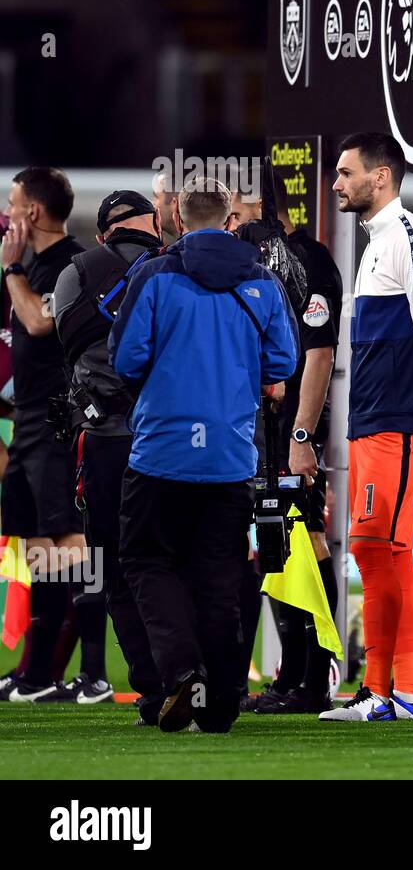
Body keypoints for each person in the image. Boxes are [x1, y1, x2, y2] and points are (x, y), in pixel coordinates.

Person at [110, 178, 299, 733]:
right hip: (229, 456)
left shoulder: (154, 275)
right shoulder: (261, 280)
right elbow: (283, 363)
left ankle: (180, 671)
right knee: (218, 576)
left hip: (160, 452)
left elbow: (125, 358)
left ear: (176, 216)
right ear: (230, 220)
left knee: (147, 561)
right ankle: (222, 699)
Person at [322, 132, 413, 723]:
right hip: (374, 418)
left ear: (380, 177)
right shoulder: (380, 241)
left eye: (346, 172)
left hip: (403, 420)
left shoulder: (410, 235)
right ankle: (379, 691)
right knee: (371, 550)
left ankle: (404, 692)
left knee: (385, 547)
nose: (336, 184)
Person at [51, 190, 166, 716]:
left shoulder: (75, 273)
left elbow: (66, 349)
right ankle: (197, 675)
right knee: (179, 562)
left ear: (103, 234)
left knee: (115, 567)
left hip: (102, 442)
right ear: (155, 224)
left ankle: (152, 686)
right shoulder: (177, 270)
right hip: (170, 441)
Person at [238, 173, 345, 716]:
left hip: (294, 428)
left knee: (306, 534)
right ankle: (292, 674)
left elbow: (321, 352)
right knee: (278, 539)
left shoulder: (310, 260)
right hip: (262, 427)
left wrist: (302, 434)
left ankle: (316, 677)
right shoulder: (247, 255)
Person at [1, 167, 95, 703]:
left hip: (59, 419)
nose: (9, 214)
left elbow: (39, 322)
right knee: (36, 541)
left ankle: (93, 671)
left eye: (13, 204)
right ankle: (37, 672)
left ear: (32, 212)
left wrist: (11, 269)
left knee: (67, 542)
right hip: (27, 416)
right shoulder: (32, 263)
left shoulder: (69, 264)